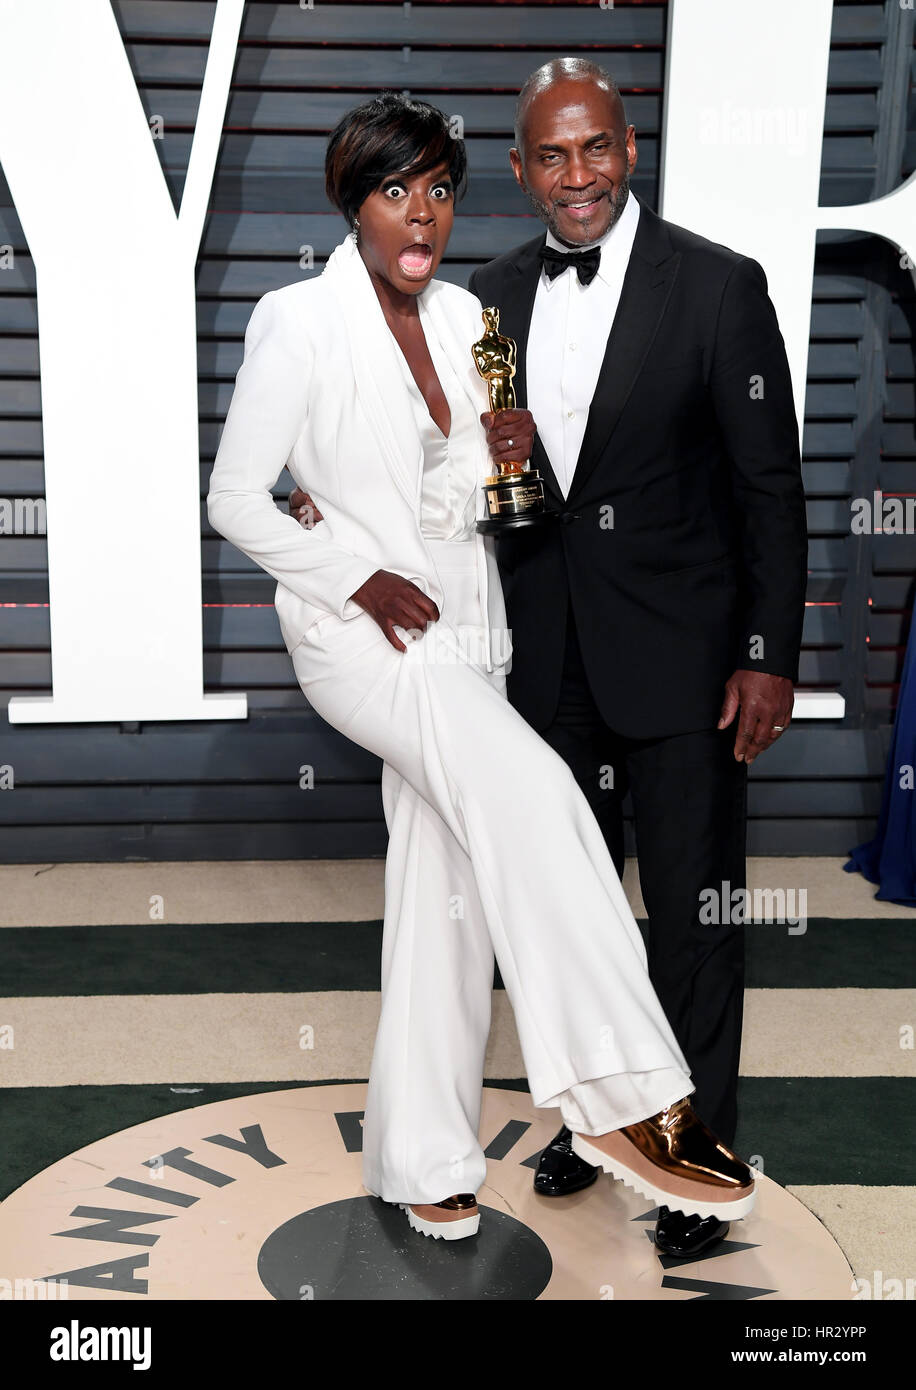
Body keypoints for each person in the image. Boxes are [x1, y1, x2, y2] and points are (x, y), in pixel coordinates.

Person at [209, 92, 756, 1245]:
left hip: (471, 631)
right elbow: (231, 496)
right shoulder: (296, 321)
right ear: (353, 203)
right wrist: (350, 572)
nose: (422, 213)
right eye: (396, 189)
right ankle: (628, 1098)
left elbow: (471, 499)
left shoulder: (469, 317)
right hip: (365, 641)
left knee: (444, 892)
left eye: (441, 189)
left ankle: (421, 1157)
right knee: (542, 796)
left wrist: (498, 459)